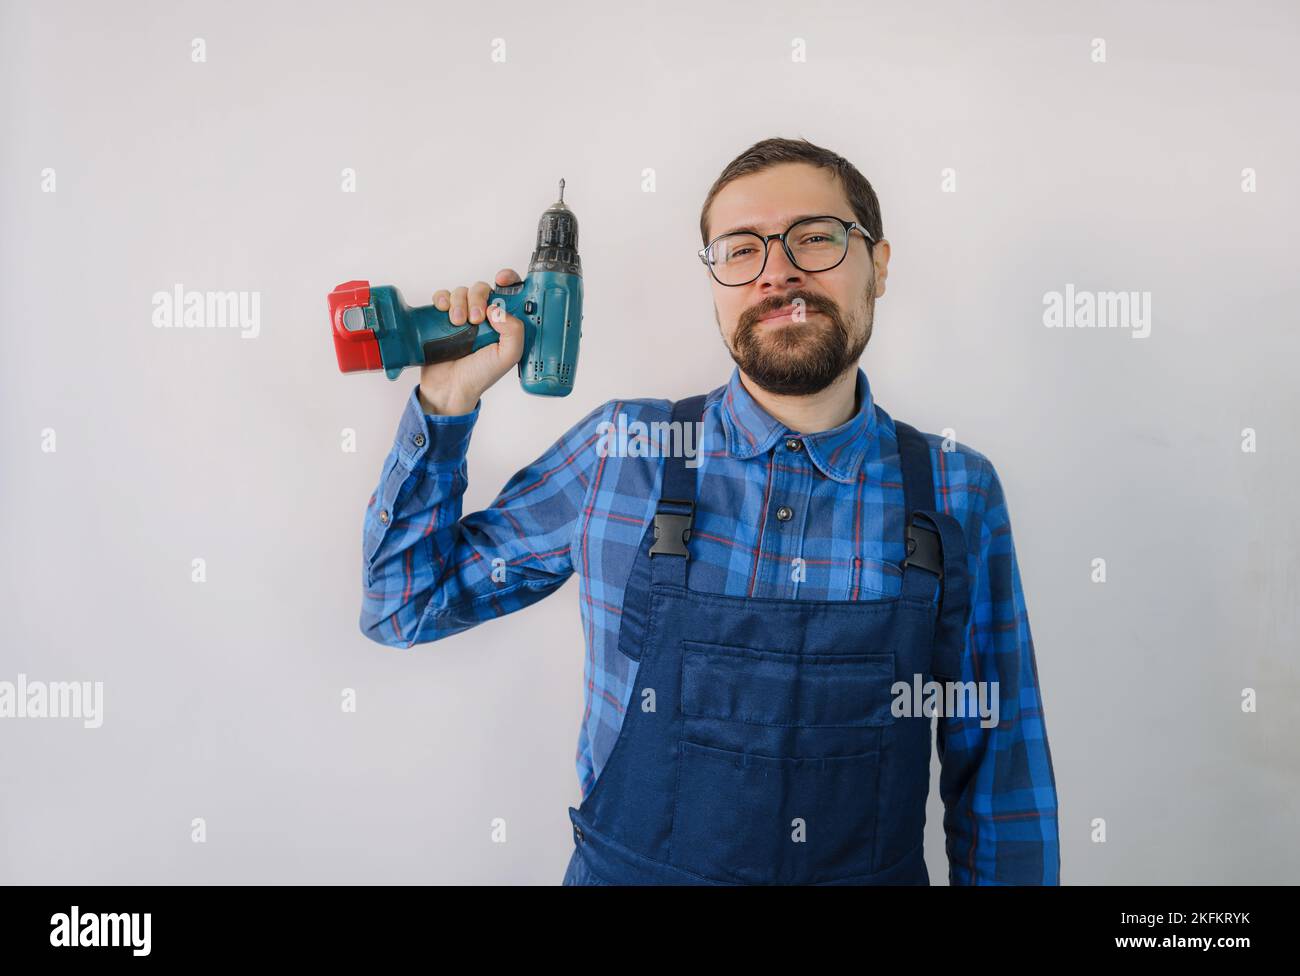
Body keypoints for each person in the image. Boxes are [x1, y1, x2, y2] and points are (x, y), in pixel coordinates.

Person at [360, 136, 1060, 885]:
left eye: (816, 238)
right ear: (715, 281)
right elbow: (402, 604)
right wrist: (446, 400)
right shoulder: (621, 453)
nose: (777, 271)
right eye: (740, 250)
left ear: (878, 266)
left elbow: (1001, 789)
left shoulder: (956, 492)